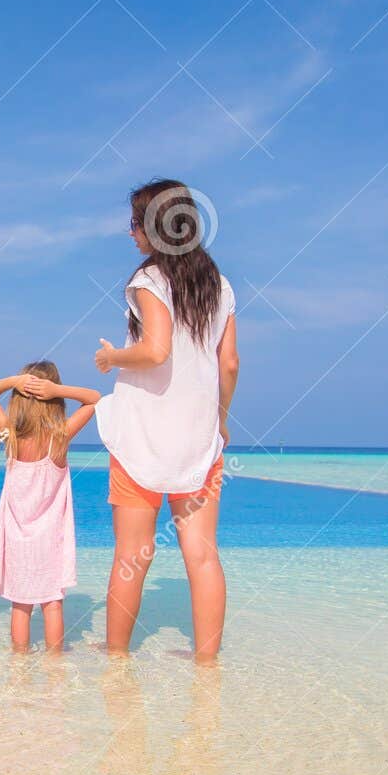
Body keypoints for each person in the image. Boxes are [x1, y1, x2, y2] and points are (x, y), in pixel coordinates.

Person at [95, 179, 239, 661]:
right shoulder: (220, 287)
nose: (130, 231)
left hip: (143, 439)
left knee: (133, 555)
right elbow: (230, 364)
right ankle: (207, 663)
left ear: (155, 229)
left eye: (136, 222)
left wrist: (115, 357)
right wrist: (219, 421)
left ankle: (116, 657)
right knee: (202, 556)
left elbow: (156, 350)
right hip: (199, 442)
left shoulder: (148, 281)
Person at [0, 362, 99, 651]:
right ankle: (55, 665)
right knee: (52, 603)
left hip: (17, 536)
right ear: (54, 401)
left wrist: (14, 380)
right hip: (51, 538)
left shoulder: (10, 436)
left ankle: (19, 663)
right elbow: (95, 399)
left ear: (18, 400)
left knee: (20, 605)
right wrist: (57, 390)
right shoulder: (60, 437)